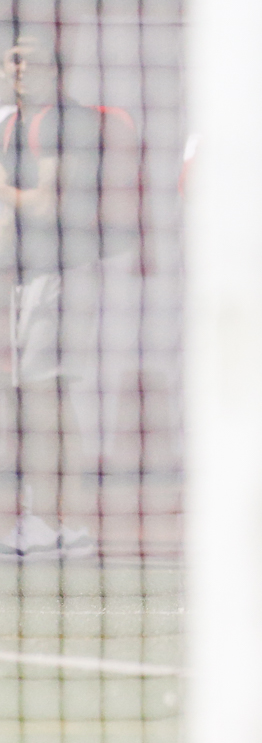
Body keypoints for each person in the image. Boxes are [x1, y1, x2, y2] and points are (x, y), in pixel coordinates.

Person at [0, 30, 141, 558]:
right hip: (29, 276)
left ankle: (54, 522)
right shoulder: (15, 123)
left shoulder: (60, 121)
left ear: (55, 71)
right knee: (39, 396)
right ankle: (56, 522)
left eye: (30, 61)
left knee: (43, 396)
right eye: (13, 59)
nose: (19, 68)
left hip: (60, 274)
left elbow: (45, 206)